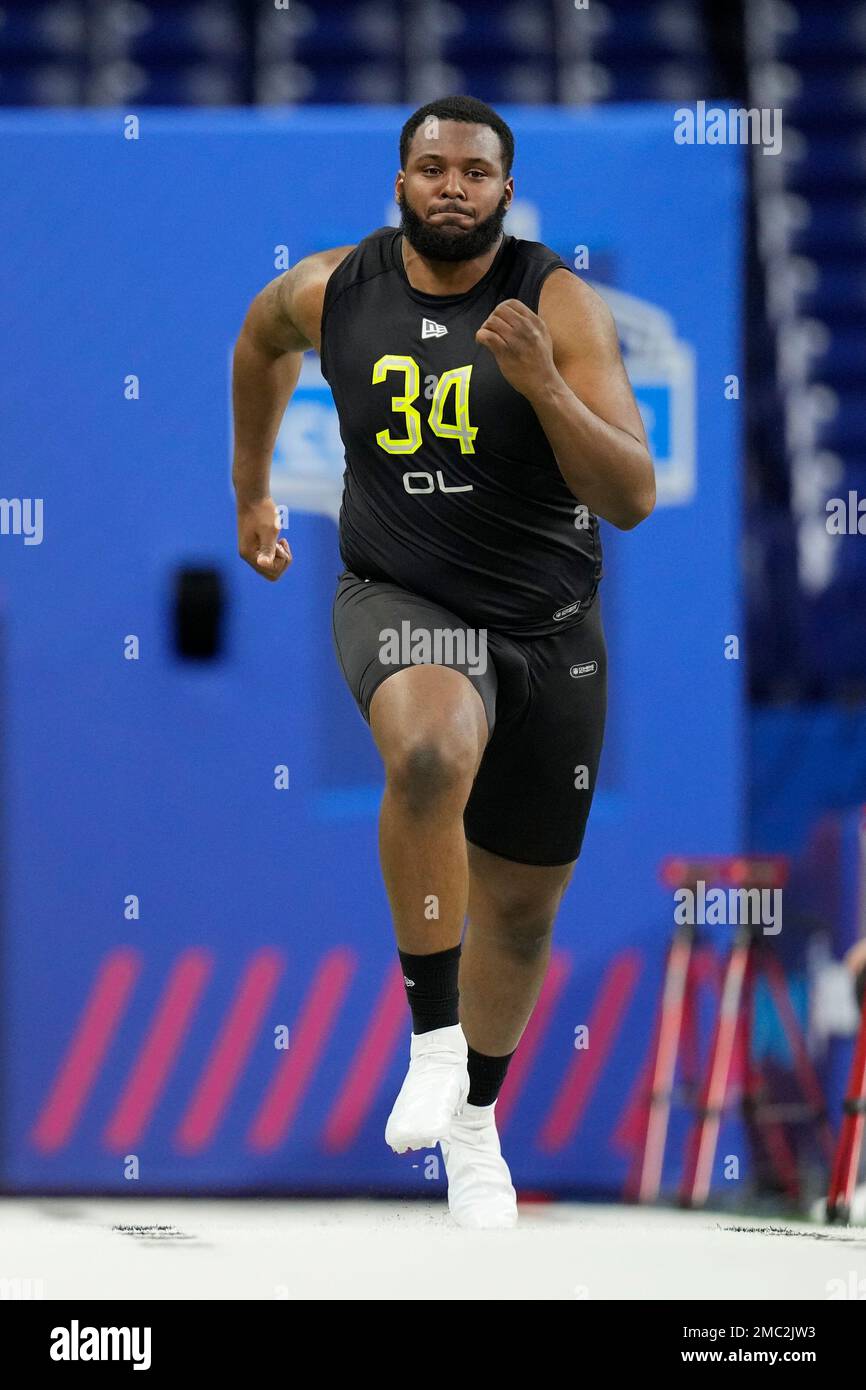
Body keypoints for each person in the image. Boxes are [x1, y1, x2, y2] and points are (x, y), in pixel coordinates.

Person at [232, 95, 655, 1227]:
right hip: (401, 594)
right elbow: (260, 338)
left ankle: (474, 1120)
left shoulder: (553, 300)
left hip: (549, 630)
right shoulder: (336, 288)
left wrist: (546, 386)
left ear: (504, 194)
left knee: (519, 914)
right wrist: (251, 489)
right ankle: (428, 1039)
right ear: (401, 184)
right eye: (432, 168)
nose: (453, 186)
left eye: (476, 171)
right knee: (426, 748)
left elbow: (632, 496)